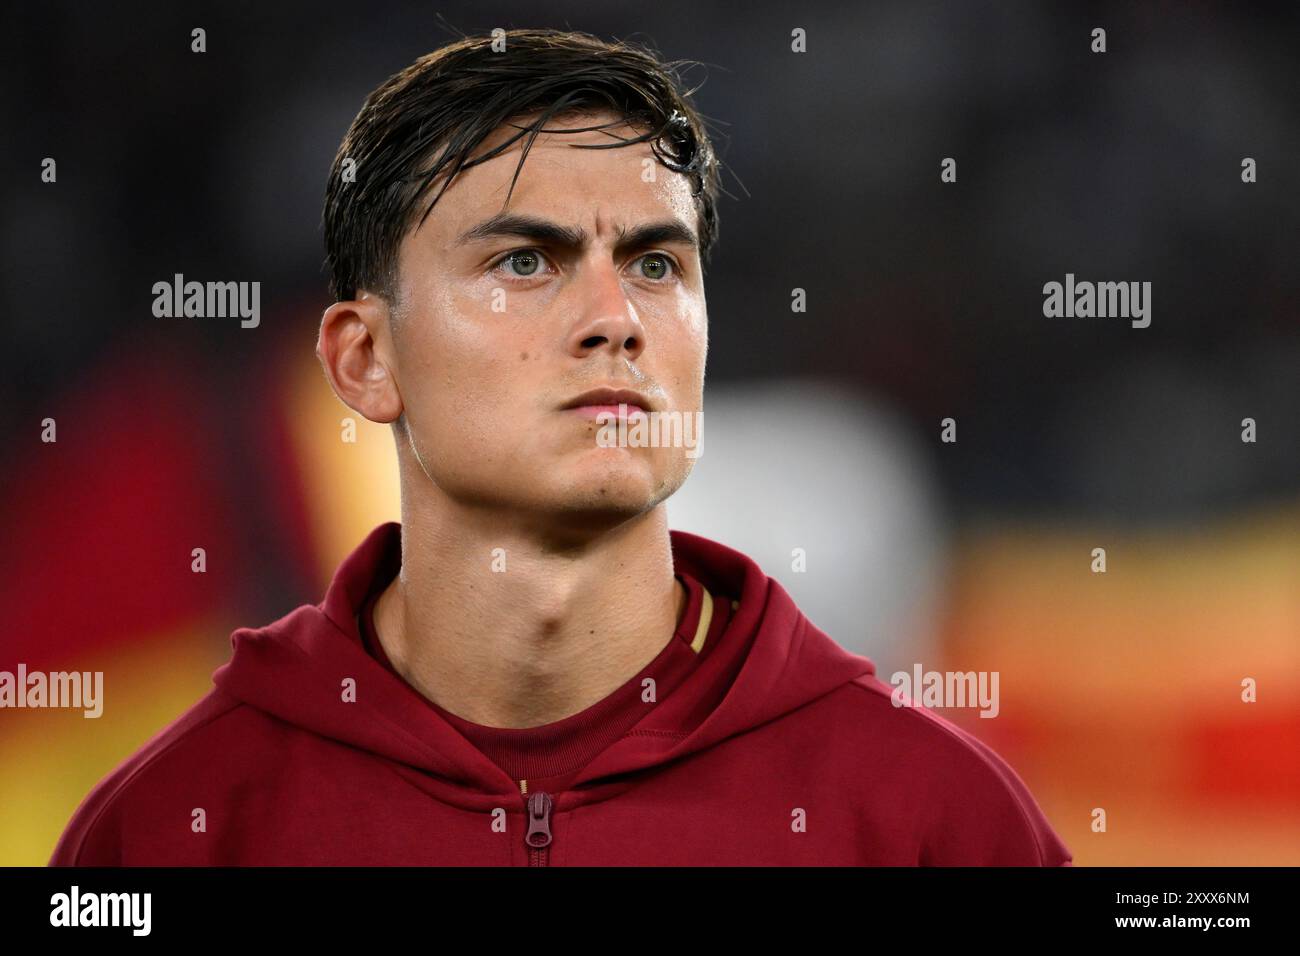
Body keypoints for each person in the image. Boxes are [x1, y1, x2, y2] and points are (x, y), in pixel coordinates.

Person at [50, 28, 1071, 866]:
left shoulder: (940, 819)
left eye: (657, 263)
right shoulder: (170, 832)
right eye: (526, 259)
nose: (613, 317)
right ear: (363, 359)